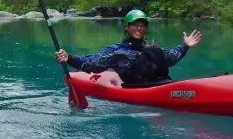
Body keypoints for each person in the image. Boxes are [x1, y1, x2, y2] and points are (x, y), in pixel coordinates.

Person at [55, 9, 202, 86]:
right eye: (135, 25)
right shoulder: (117, 51)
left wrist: (185, 46)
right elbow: (92, 62)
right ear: (126, 26)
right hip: (139, 90)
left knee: (157, 52)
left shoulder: (151, 49)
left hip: (164, 85)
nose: (139, 28)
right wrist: (69, 58)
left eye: (142, 25)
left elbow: (170, 57)